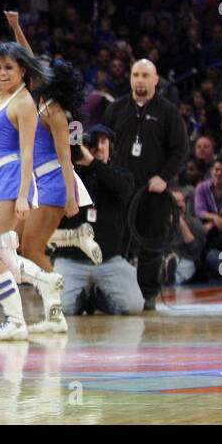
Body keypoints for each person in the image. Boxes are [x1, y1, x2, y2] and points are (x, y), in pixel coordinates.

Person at [104, 58, 190, 309]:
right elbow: (103, 143)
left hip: (153, 192)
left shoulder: (169, 112)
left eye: (145, 75)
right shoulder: (116, 109)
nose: (139, 80)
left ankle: (148, 295)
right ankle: (114, 293)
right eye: (135, 75)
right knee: (117, 243)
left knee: (151, 245)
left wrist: (164, 177)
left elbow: (181, 150)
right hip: (120, 190)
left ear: (155, 80)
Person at [54, 126, 142, 314]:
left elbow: (123, 189)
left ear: (111, 146)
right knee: (59, 309)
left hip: (109, 259)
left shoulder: (121, 175)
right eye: (93, 142)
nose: (98, 147)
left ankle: (98, 297)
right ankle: (81, 302)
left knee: (133, 306)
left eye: (103, 141)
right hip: (71, 259)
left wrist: (94, 163)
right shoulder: (71, 175)